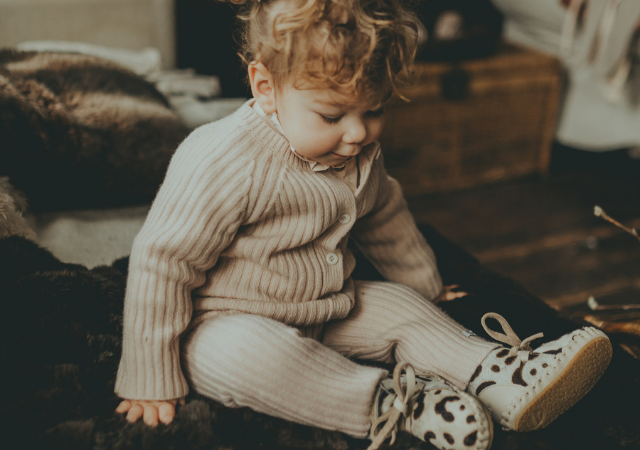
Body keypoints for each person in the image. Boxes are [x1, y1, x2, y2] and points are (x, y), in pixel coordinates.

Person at [114, 1, 613, 449]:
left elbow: (384, 213)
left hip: (326, 308)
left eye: (373, 111)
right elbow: (163, 262)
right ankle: (399, 403)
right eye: (331, 115)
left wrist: (424, 286)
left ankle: (499, 374)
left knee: (399, 306)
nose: (357, 133)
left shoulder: (359, 153)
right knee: (240, 355)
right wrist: (149, 377)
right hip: (224, 321)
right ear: (266, 88)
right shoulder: (222, 159)